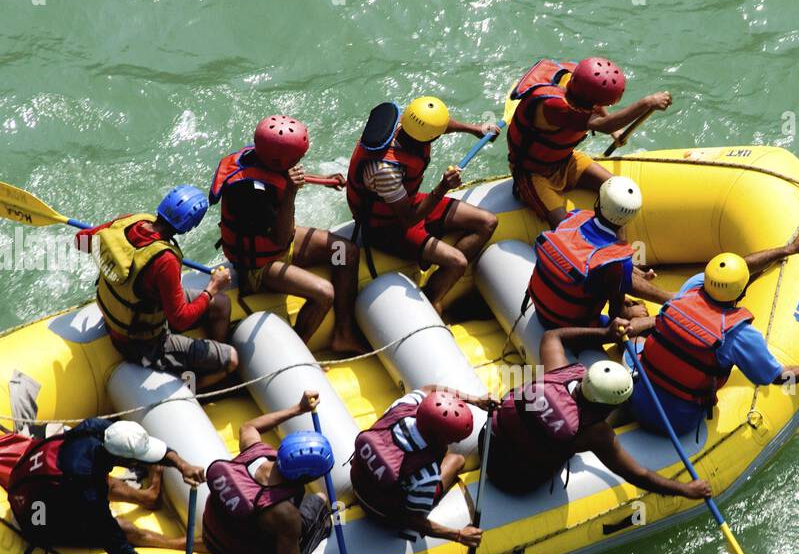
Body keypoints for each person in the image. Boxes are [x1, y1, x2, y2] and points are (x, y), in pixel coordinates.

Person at [625, 235, 799, 436]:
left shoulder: (692, 287)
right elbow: (778, 377)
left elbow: (742, 266)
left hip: (636, 399)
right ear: (742, 292)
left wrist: (788, 249)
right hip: (677, 422)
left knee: (640, 342)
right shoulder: (738, 334)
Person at [486, 322, 714, 499]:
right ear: (611, 406)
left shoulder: (556, 372)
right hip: (517, 482)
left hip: (487, 444)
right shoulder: (596, 434)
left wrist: (605, 333)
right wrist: (686, 489)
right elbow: (637, 474)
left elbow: (552, 336)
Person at [7, 419, 206, 554]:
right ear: (123, 460)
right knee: (124, 528)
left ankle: (147, 497)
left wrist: (183, 465)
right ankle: (178, 543)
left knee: (103, 481)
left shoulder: (96, 428)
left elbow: (100, 471)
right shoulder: (86, 489)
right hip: (39, 519)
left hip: (48, 479)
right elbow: (119, 548)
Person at [210, 116, 365, 352]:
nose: (300, 160)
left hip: (282, 247)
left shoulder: (261, 155)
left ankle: (343, 333)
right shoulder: (250, 193)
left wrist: (322, 180)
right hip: (259, 268)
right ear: (280, 159)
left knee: (346, 253)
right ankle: (298, 351)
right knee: (323, 294)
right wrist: (291, 192)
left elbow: (278, 174)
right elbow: (279, 239)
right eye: (298, 157)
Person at [346, 97, 500, 315]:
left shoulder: (407, 123)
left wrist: (474, 129)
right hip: (386, 227)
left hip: (407, 202)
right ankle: (433, 298)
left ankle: (440, 275)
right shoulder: (384, 170)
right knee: (457, 262)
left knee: (488, 222)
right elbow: (408, 219)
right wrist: (443, 187)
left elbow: (440, 125)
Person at [202, 391, 359, 554]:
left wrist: (298, 409)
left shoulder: (256, 453)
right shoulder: (285, 514)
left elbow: (249, 427)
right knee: (320, 500)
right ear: (305, 477)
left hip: (212, 538)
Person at [82, 185, 238, 389]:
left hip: (124, 313)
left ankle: (208, 356)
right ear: (190, 225)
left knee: (222, 304)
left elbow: (82, 241)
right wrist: (213, 288)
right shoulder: (165, 261)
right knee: (232, 358)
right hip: (141, 343)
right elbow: (180, 320)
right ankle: (199, 388)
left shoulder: (130, 221)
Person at [506, 57, 673, 227]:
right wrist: (647, 103)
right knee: (563, 226)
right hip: (534, 174)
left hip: (565, 162)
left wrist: (615, 132)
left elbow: (595, 106)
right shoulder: (554, 106)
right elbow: (604, 125)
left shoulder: (576, 84)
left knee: (618, 191)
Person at [527, 176, 672, 340]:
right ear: (630, 218)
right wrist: (631, 312)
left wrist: (633, 272)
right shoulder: (618, 262)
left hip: (541, 309)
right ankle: (670, 307)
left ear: (599, 201)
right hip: (572, 328)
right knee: (644, 322)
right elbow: (616, 314)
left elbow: (596, 255)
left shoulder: (574, 217)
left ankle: (668, 299)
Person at [350, 385, 491, 546]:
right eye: (453, 439)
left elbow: (430, 389)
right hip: (380, 512)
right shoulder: (426, 475)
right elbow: (413, 519)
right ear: (439, 439)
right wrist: (458, 535)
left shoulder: (401, 407)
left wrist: (474, 400)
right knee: (456, 460)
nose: (456, 441)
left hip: (357, 481)